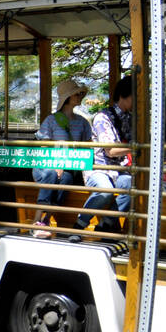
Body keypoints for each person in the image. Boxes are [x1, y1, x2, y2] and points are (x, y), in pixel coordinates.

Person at [31, 79, 91, 238]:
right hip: (46, 166)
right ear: (68, 98)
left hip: (67, 168)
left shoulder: (83, 123)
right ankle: (37, 219)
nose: (79, 96)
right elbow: (43, 146)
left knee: (66, 179)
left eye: (80, 93)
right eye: (76, 94)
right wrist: (57, 162)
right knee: (51, 173)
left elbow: (87, 146)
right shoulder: (51, 120)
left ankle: (45, 220)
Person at [76, 76, 134, 235]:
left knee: (133, 186)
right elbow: (110, 150)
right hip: (99, 168)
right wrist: (135, 148)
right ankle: (80, 225)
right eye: (134, 97)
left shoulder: (130, 118)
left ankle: (106, 224)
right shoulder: (102, 117)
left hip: (118, 169)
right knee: (105, 190)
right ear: (123, 96)